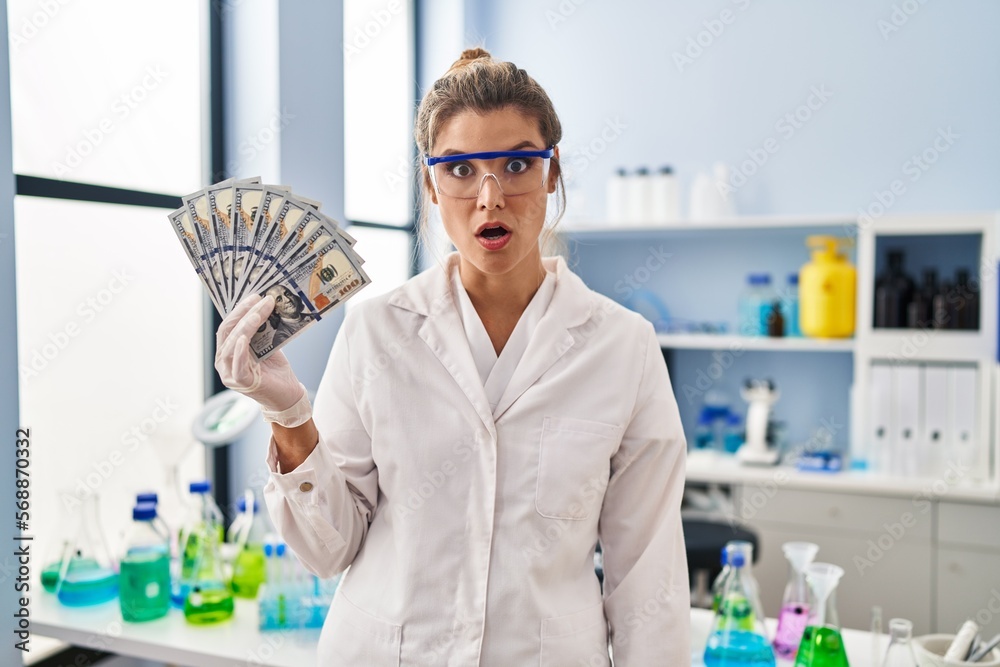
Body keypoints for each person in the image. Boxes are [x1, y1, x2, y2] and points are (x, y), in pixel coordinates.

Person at [215, 48, 689, 665]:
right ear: (431, 186)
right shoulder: (375, 331)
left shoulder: (624, 346)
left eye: (517, 164)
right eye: (461, 169)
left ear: (552, 173)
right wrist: (287, 414)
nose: (490, 198)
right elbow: (329, 551)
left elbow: (648, 583)